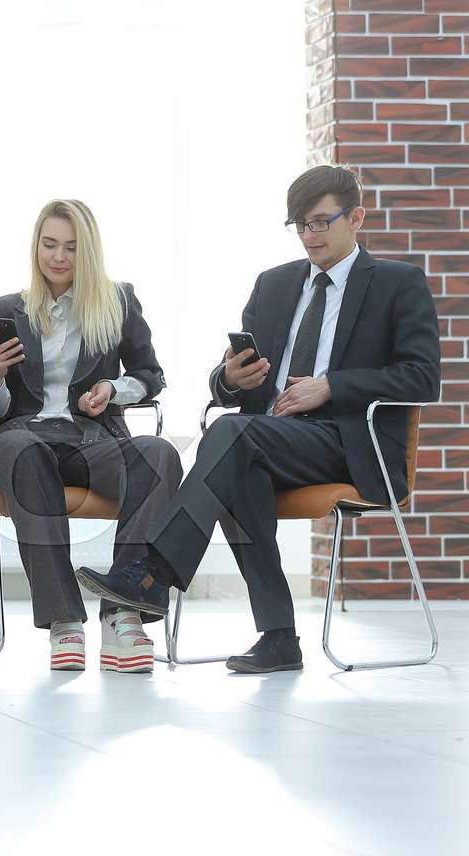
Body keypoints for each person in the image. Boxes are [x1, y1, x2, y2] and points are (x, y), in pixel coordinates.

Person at [78, 165, 441, 673]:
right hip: (267, 437)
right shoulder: (273, 286)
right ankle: (278, 639)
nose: (309, 235)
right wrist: (230, 380)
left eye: (320, 222)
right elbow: (223, 383)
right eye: (300, 225)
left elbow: (423, 378)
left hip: (347, 440)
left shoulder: (398, 284)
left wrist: (331, 386)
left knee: (231, 440)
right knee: (237, 461)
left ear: (356, 218)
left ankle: (152, 571)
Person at [0, 199, 181, 673]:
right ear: (36, 247)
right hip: (19, 436)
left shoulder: (118, 301)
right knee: (27, 452)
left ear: (88, 251)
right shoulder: (7, 309)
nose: (59, 257)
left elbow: (151, 374)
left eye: (71, 247)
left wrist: (113, 389)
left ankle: (123, 608)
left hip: (90, 438)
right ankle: (64, 619)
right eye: (49, 245)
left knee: (159, 456)